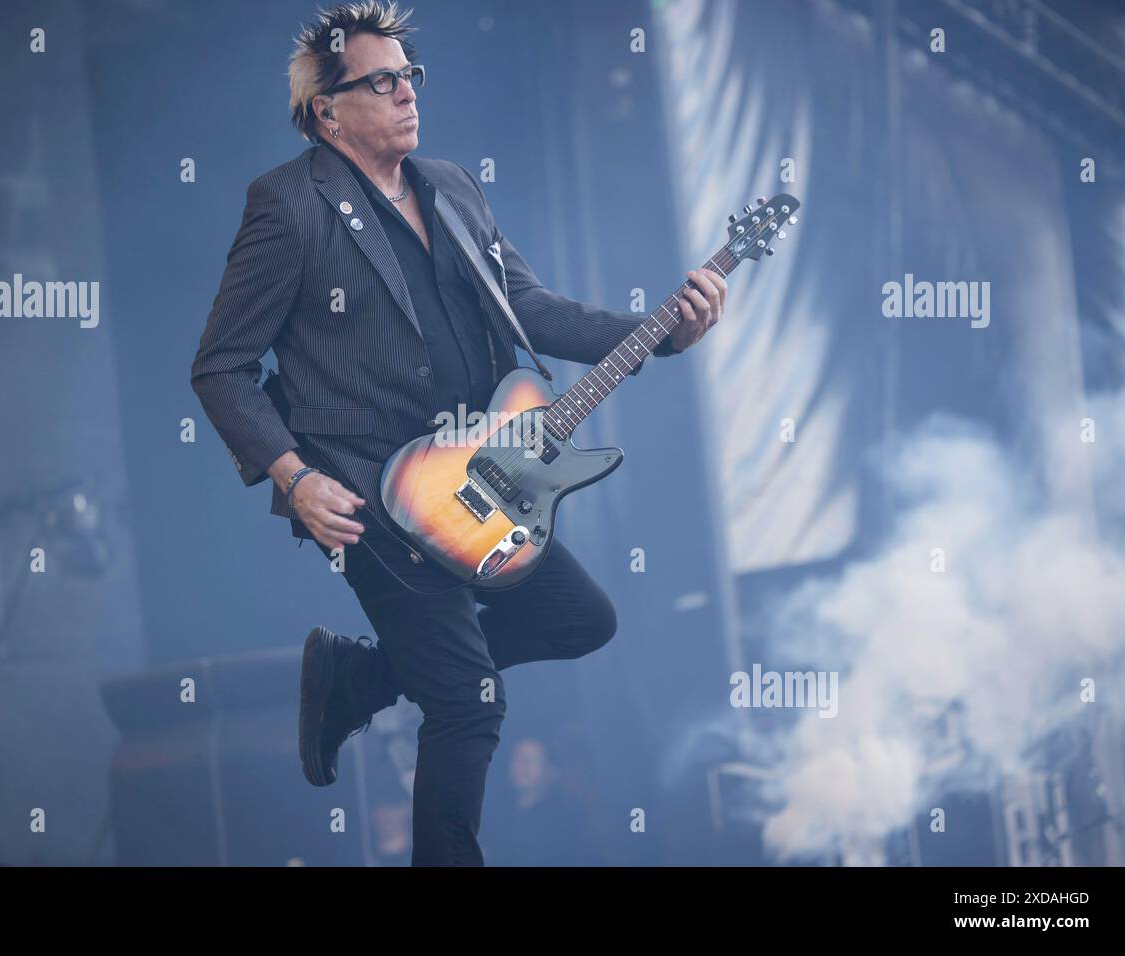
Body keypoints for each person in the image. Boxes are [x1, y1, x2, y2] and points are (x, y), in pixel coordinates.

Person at [190, 0, 726, 866]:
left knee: (581, 618)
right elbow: (221, 366)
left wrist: (660, 330)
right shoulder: (288, 206)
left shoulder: (451, 186)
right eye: (382, 82)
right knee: (468, 704)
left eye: (410, 76)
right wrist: (295, 476)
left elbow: (532, 308)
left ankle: (363, 676)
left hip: (480, 476)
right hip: (369, 492)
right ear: (327, 111)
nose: (408, 93)